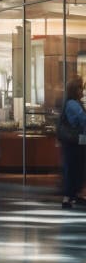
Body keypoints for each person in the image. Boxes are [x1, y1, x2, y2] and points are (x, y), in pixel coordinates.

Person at [59, 76, 86, 208]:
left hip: (72, 141)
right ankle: (68, 197)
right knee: (74, 167)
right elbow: (84, 120)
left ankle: (73, 196)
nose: (83, 91)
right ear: (76, 90)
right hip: (74, 142)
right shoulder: (73, 104)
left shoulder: (69, 102)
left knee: (74, 167)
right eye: (81, 88)